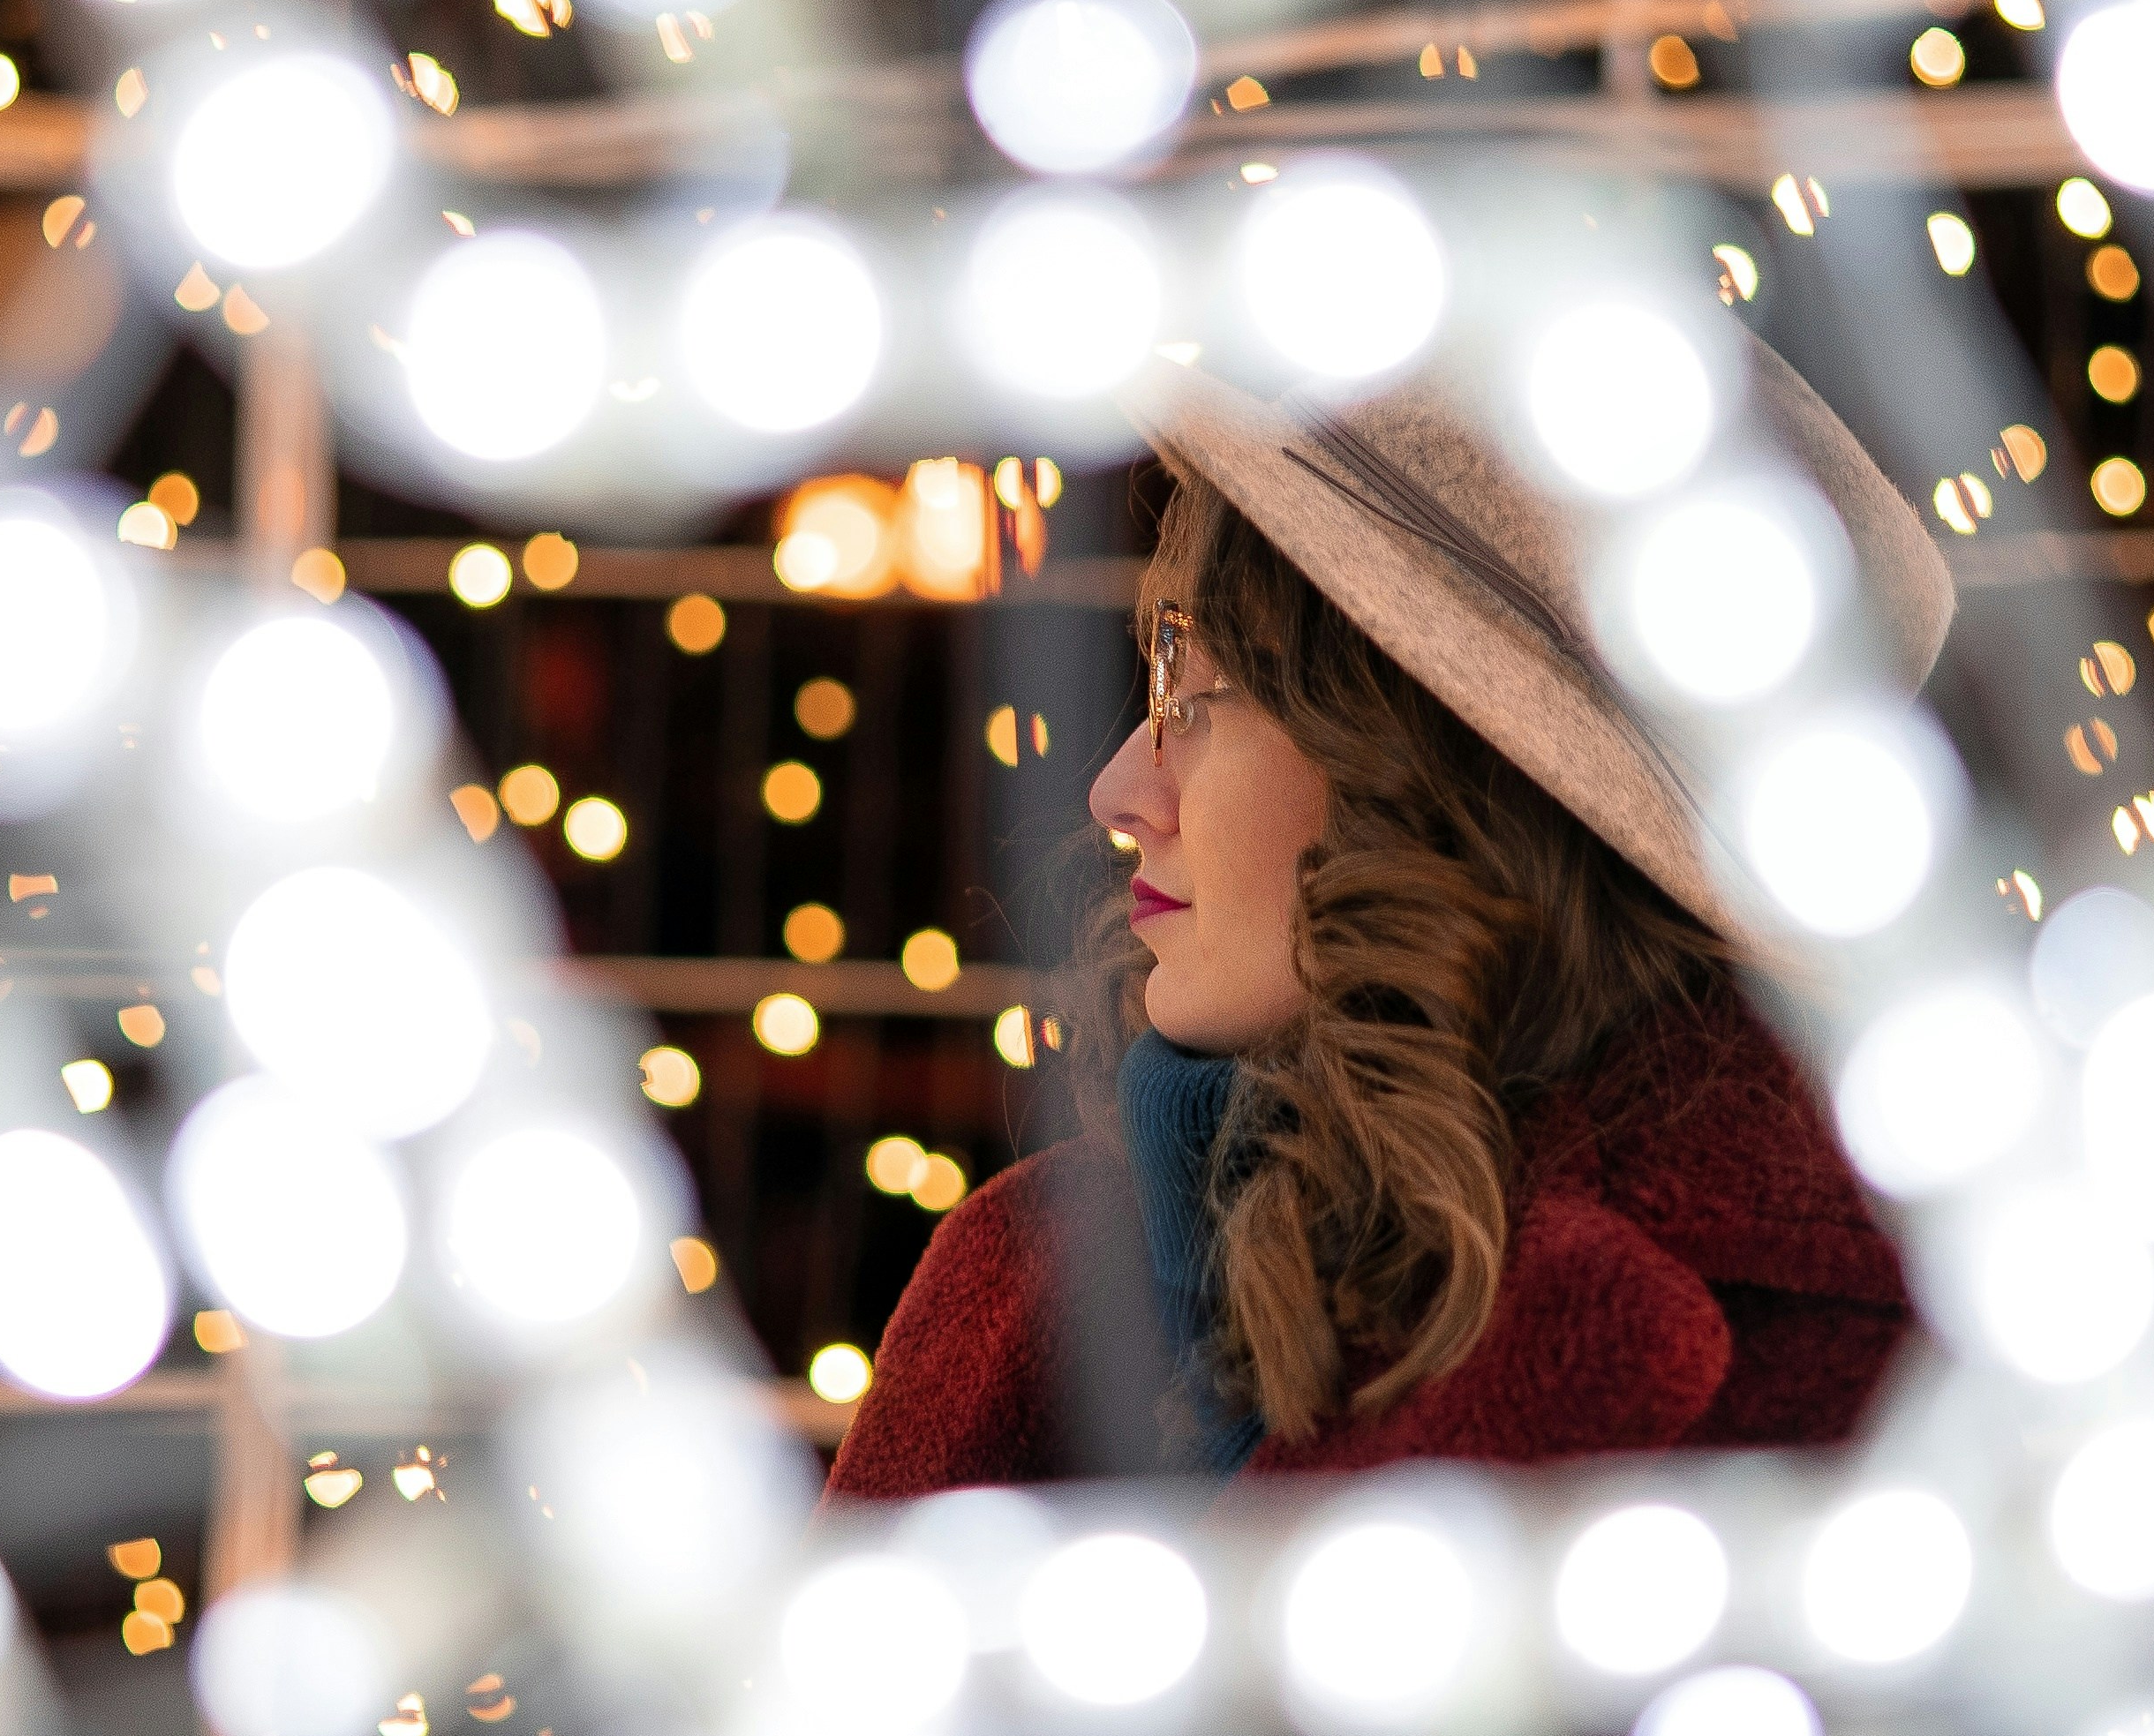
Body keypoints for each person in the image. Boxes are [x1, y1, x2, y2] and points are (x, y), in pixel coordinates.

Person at [825, 346, 1951, 1496]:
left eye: (1197, 691)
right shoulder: (1022, 1278)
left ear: (1426, 786)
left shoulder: (1867, 1387)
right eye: (1156, 670)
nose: (1117, 794)